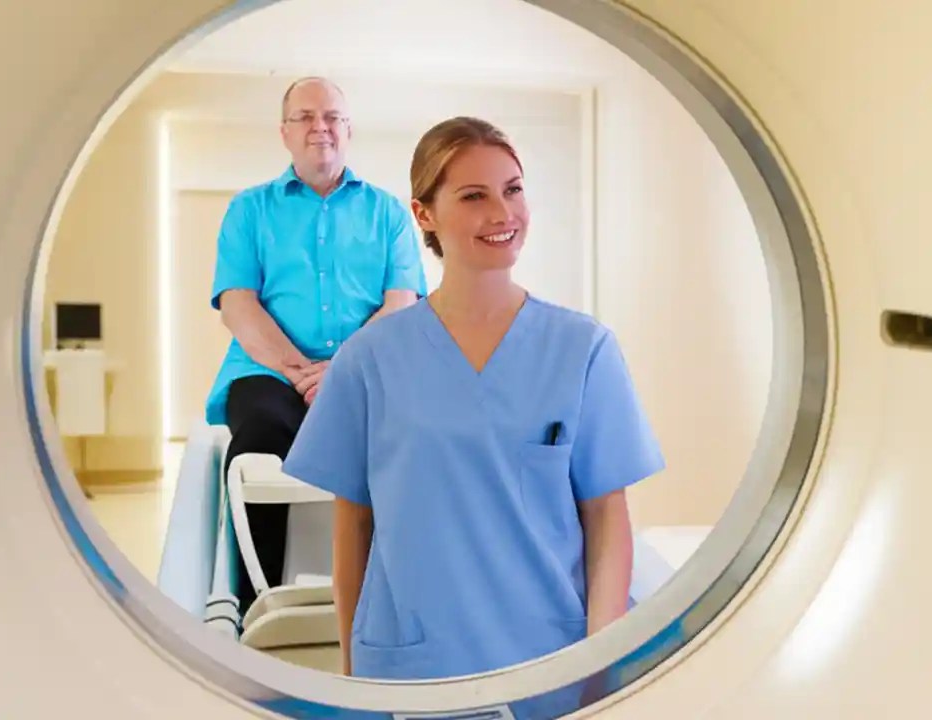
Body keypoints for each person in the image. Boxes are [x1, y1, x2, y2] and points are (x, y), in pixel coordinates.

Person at [281, 117, 665, 684]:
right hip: (411, 661)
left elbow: (607, 521)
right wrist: (351, 672)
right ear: (423, 214)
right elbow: (353, 526)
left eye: (512, 189)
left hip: (550, 660)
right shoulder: (369, 359)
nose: (502, 214)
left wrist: (597, 666)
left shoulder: (583, 350)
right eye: (474, 196)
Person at [205, 77, 428, 602]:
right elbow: (238, 304)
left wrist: (343, 373)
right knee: (259, 434)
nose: (319, 127)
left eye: (331, 116)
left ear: (348, 130)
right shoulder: (249, 210)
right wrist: (302, 373)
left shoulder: (389, 213)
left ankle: (401, 595)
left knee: (418, 435)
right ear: (284, 132)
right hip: (267, 373)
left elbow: (401, 304)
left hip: (366, 372)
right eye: (304, 117)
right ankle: (255, 601)